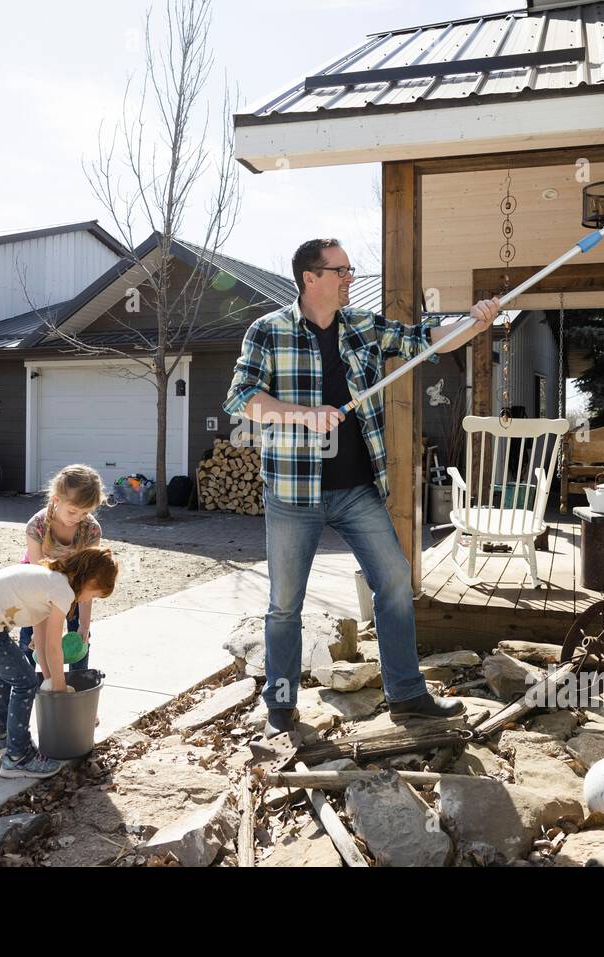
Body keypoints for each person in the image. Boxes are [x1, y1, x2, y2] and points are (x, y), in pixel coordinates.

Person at [223, 238, 500, 737]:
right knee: (286, 602)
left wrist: (475, 321)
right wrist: (301, 415)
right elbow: (241, 398)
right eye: (342, 270)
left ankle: (407, 695)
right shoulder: (269, 330)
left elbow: (426, 340)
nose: (351, 277)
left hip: (356, 489)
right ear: (311, 278)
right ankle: (282, 706)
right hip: (292, 490)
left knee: (394, 580)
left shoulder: (363, 327)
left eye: (351, 270)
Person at [0, 546, 118, 778]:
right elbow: (52, 646)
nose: (89, 600)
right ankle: (18, 758)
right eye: (95, 594)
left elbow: (40, 643)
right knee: (26, 682)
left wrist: (50, 678)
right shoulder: (63, 590)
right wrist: (59, 686)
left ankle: (0, 738)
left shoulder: (48, 583)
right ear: (89, 579)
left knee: (10, 673)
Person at [18, 465, 105, 673]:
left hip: (75, 588)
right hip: (37, 591)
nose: (77, 518)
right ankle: (29, 685)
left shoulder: (91, 530)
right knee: (30, 644)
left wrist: (85, 624)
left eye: (85, 512)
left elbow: (87, 581)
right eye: (73, 511)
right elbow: (37, 581)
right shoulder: (36, 526)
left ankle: (79, 683)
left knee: (80, 639)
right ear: (56, 500)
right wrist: (38, 627)